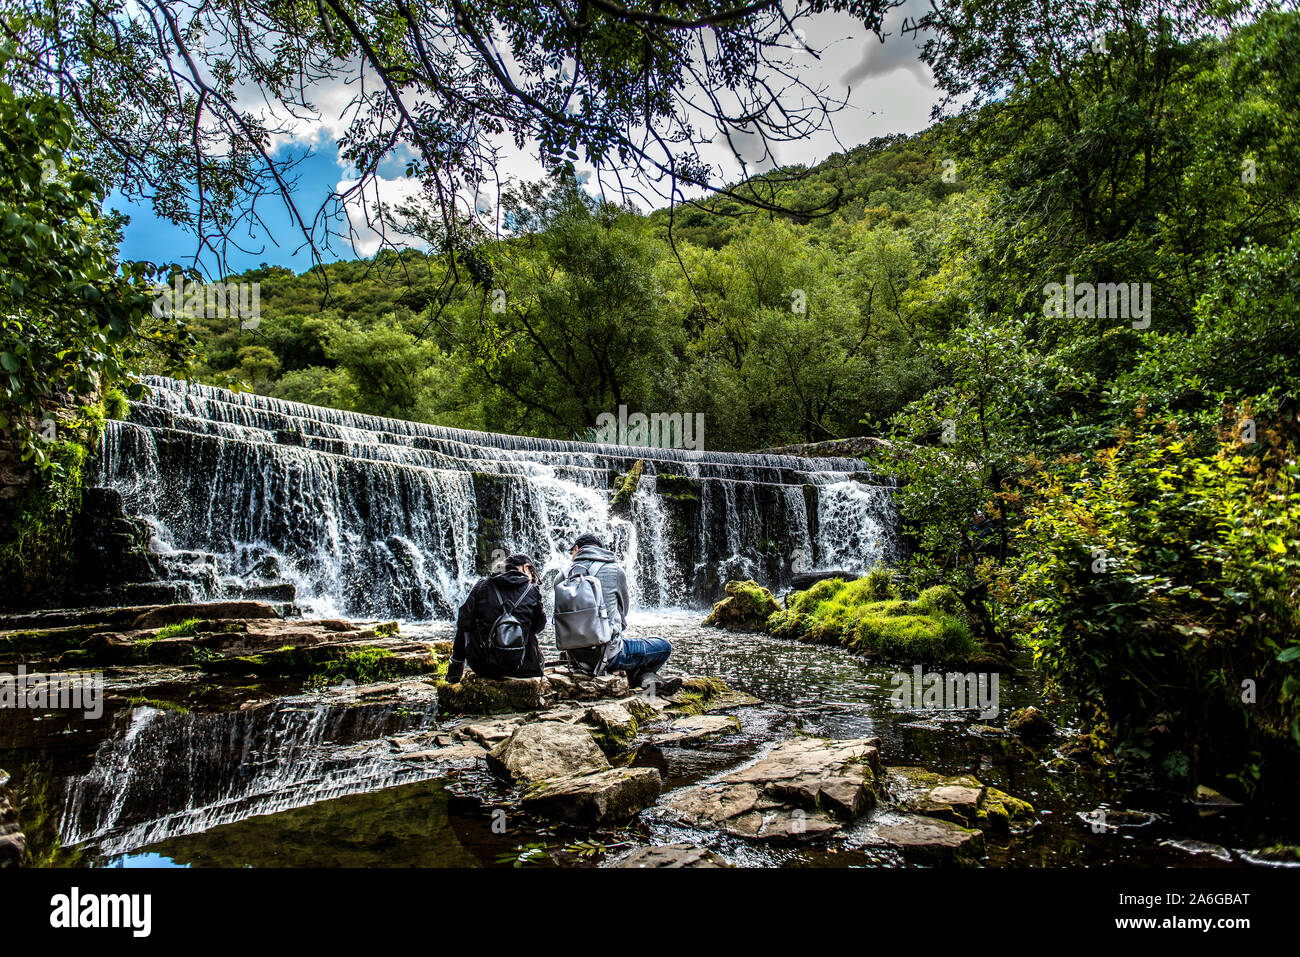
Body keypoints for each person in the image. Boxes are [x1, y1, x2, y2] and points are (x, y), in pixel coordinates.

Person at [562, 533, 680, 694]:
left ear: (576, 549)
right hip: (608, 655)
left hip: (573, 656)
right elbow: (623, 610)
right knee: (664, 646)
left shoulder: (562, 576)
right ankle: (643, 677)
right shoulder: (614, 570)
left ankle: (647, 679)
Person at [446, 553, 545, 682]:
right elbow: (539, 626)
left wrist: (457, 662)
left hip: (485, 666)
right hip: (524, 667)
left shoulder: (482, 585)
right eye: (532, 572)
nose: (532, 577)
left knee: (467, 622)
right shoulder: (532, 590)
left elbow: (464, 624)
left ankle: (455, 668)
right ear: (526, 568)